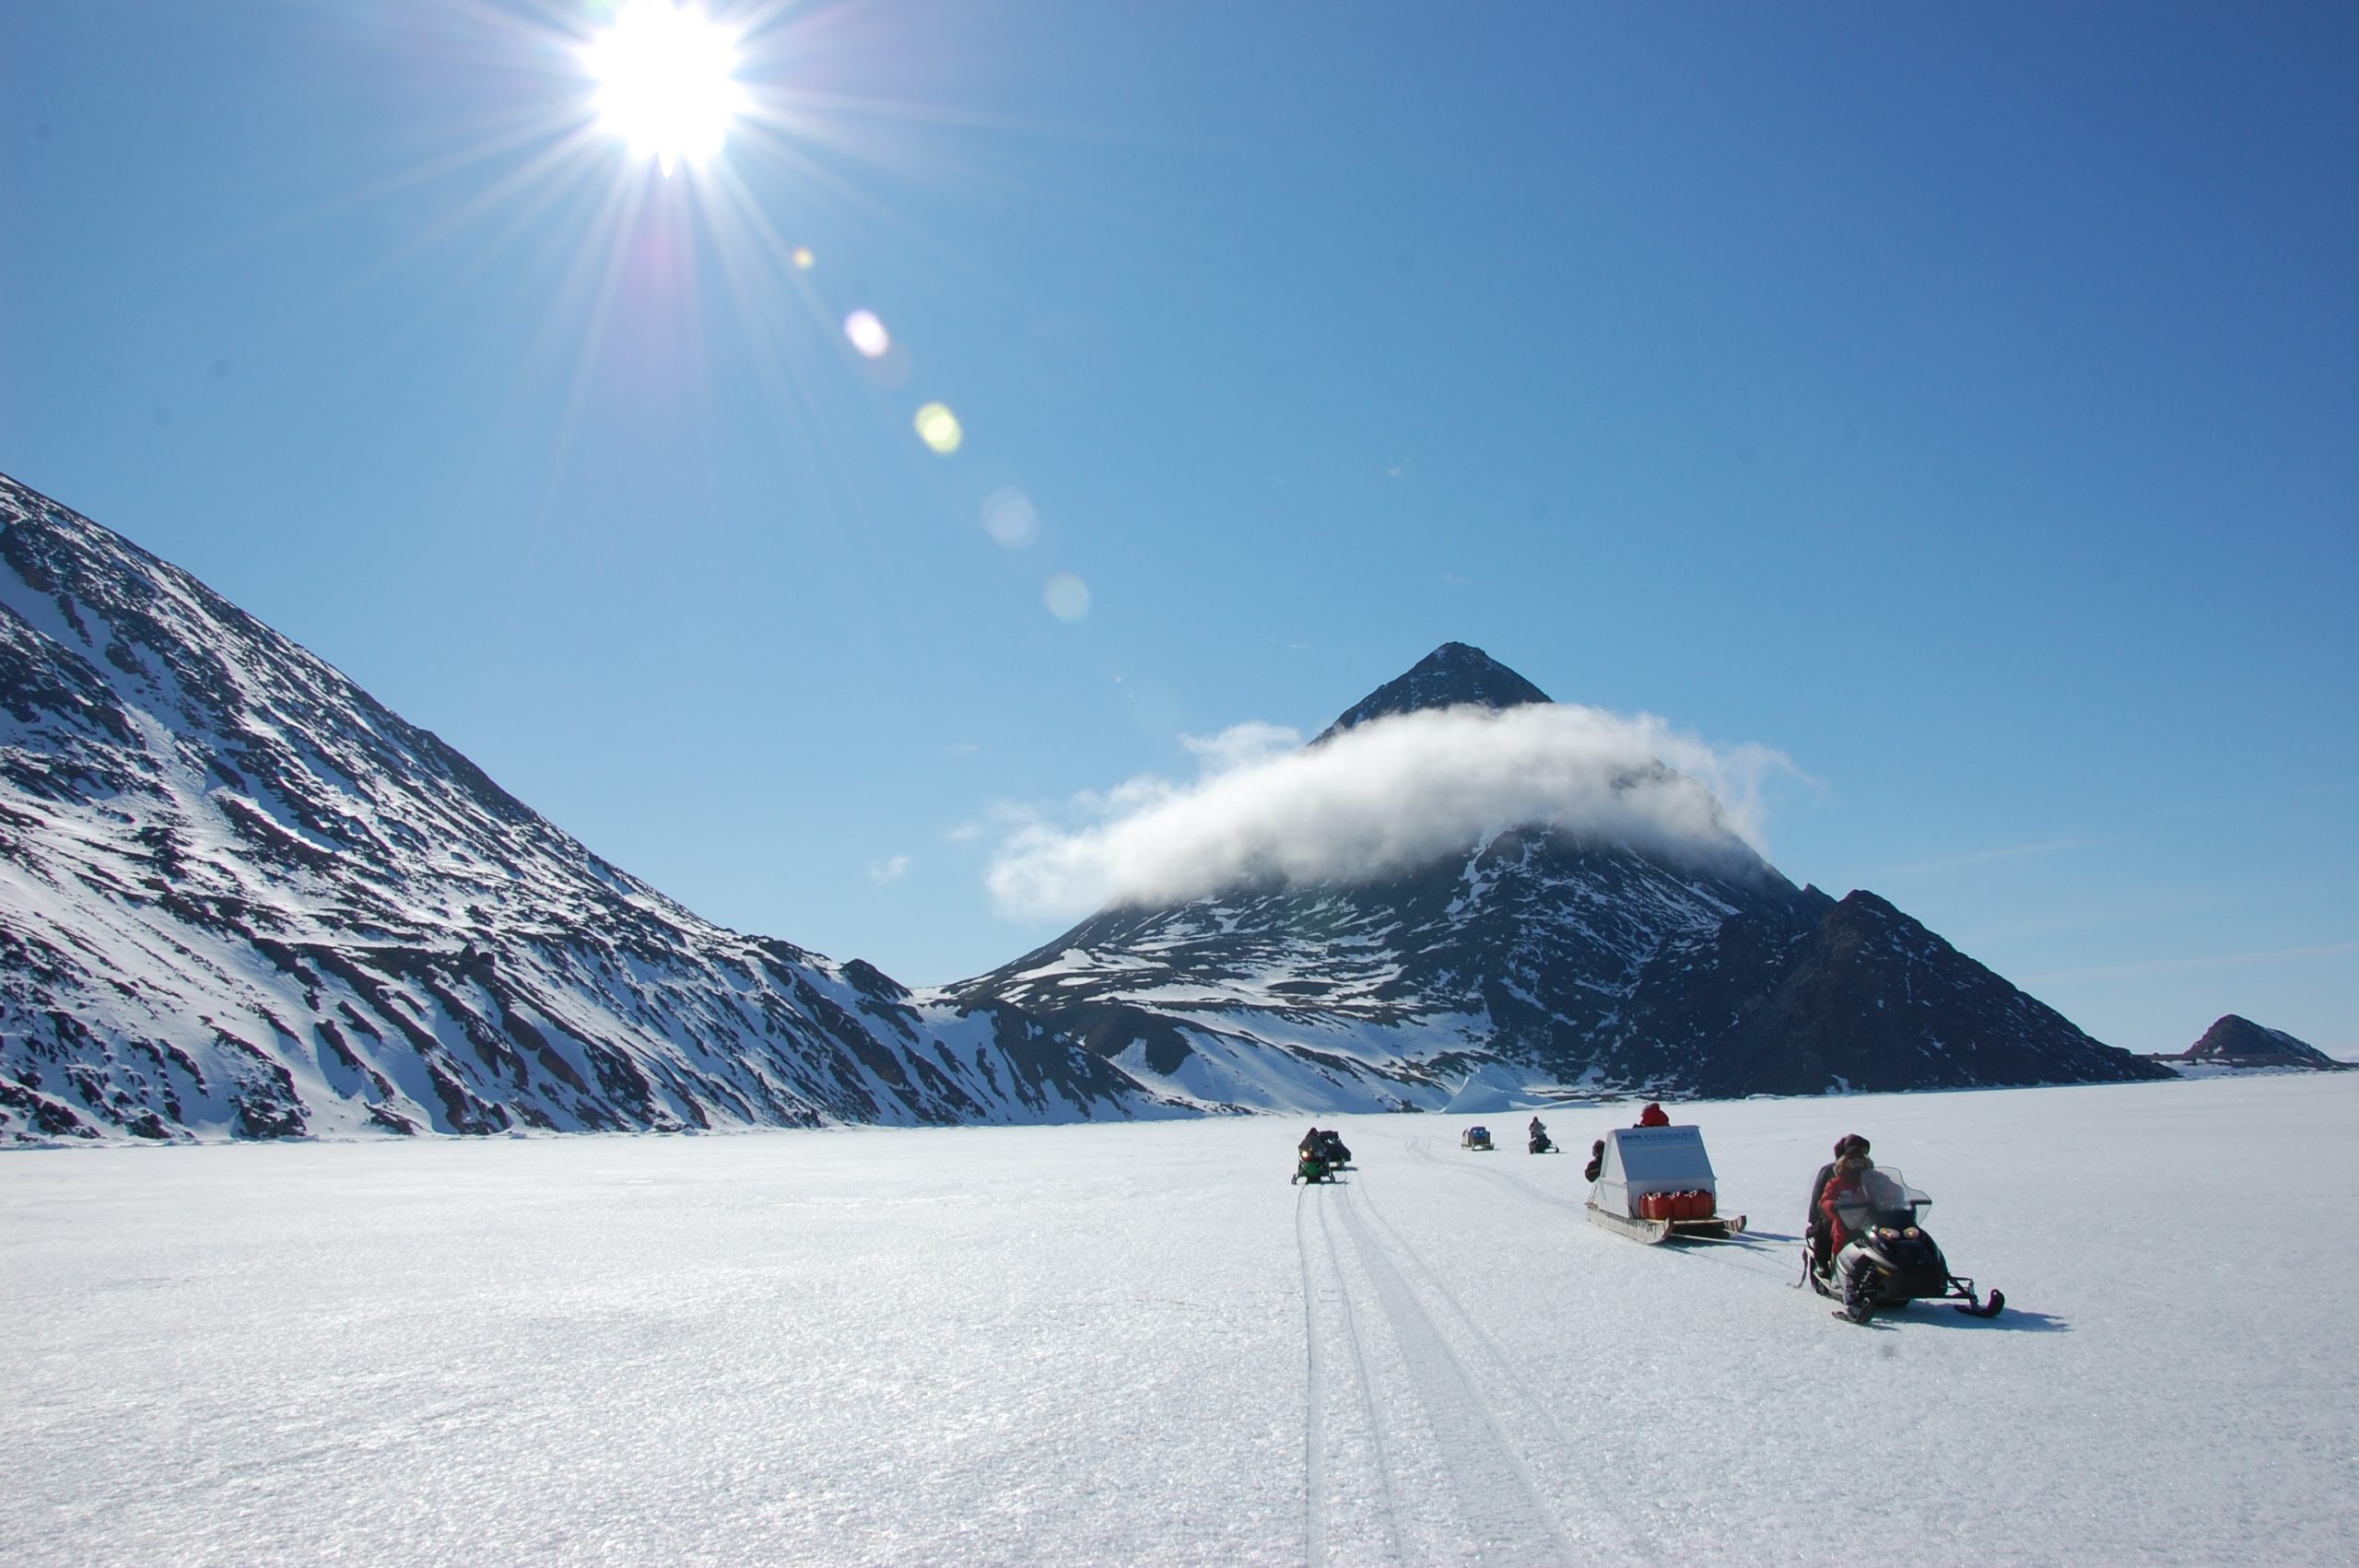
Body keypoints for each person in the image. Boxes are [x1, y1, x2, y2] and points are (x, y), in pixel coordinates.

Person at [1808, 1135, 1872, 1279]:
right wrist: (1832, 1207)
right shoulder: (1833, 1174)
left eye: (1862, 1153)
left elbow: (1884, 1190)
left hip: (1866, 1218)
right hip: (1838, 1217)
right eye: (1853, 1158)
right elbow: (1821, 1199)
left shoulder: (1871, 1175)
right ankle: (1828, 1265)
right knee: (1832, 1233)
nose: (1858, 1160)